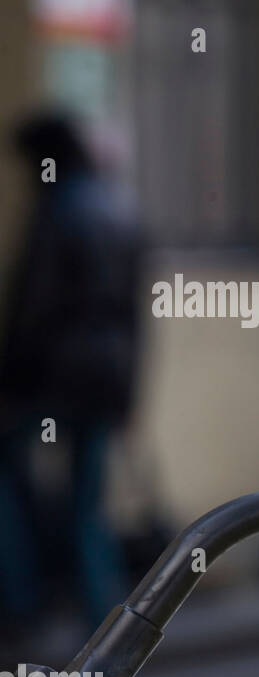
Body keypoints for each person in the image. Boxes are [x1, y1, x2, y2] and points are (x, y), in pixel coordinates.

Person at [0, 111, 142, 634]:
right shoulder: (121, 209)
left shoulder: (57, 210)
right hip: (106, 380)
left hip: (51, 380)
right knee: (88, 505)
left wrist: (10, 377)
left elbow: (33, 306)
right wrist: (131, 395)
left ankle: (20, 600)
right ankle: (103, 629)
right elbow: (136, 318)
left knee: (9, 470)